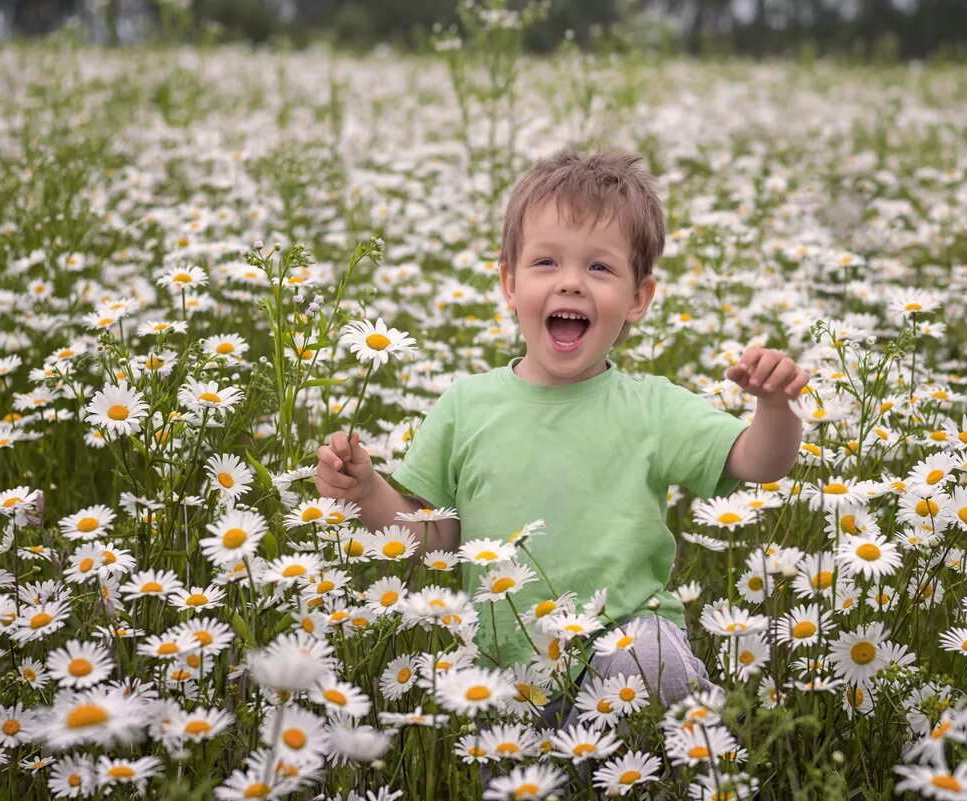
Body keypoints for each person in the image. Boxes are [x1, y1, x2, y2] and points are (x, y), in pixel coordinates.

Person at [315, 147, 808, 728]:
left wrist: (776, 406)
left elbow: (761, 461)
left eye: (600, 268)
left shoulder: (654, 407)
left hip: (623, 644)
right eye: (546, 263)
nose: (571, 283)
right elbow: (438, 538)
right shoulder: (465, 405)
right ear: (509, 283)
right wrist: (369, 489)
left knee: (657, 671)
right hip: (501, 671)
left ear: (638, 300)